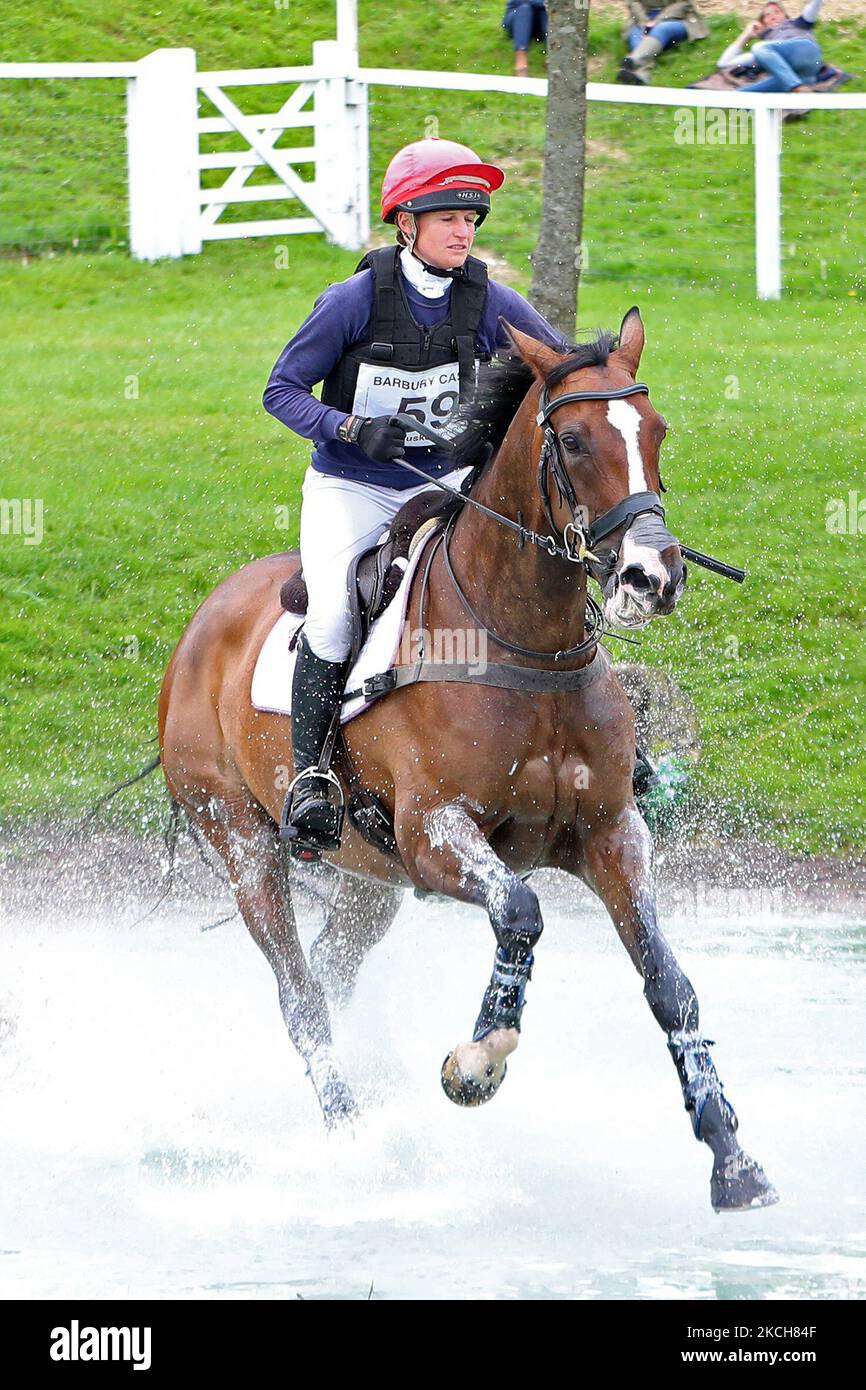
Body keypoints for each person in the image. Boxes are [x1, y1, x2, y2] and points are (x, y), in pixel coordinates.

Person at [263, 138, 569, 854]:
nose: (464, 230)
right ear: (405, 222)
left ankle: (609, 742)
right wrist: (346, 426)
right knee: (336, 609)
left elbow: (558, 368)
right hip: (353, 486)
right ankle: (311, 780)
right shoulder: (353, 301)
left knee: (536, 576)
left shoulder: (491, 300)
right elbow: (280, 390)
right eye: (447, 217)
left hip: (452, 486)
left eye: (472, 217)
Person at [716, 1, 825, 92]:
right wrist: (746, 34)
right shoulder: (765, 52)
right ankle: (800, 88)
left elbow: (814, 5)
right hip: (803, 76)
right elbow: (724, 63)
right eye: (767, 15)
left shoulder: (798, 23)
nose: (772, 16)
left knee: (759, 47)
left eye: (776, 12)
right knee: (740, 94)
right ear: (763, 23)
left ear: (785, 16)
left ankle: (796, 87)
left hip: (806, 53)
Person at [618, 2, 709, 85]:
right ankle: (641, 76)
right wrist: (645, 22)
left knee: (661, 29)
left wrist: (656, 22)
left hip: (677, 19)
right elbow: (634, 2)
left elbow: (682, 3)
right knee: (638, 38)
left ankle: (632, 61)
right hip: (643, 20)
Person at [502, 0, 547, 76]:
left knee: (546, 12)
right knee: (524, 8)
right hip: (517, 17)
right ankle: (521, 60)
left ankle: (552, 55)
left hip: (540, 20)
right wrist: (544, 3)